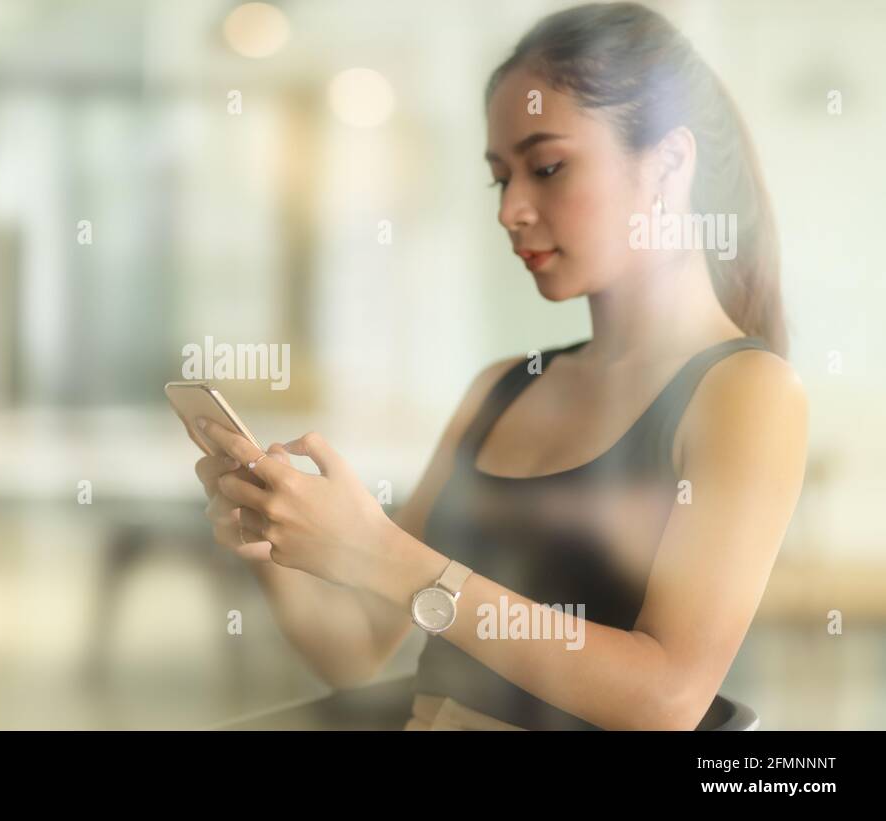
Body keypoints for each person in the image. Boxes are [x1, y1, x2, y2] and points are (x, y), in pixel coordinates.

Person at [192, 1, 807, 731]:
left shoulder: (747, 393)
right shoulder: (503, 387)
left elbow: (669, 698)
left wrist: (384, 554)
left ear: (669, 162)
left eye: (547, 167)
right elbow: (355, 649)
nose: (511, 209)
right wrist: (270, 533)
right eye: (500, 178)